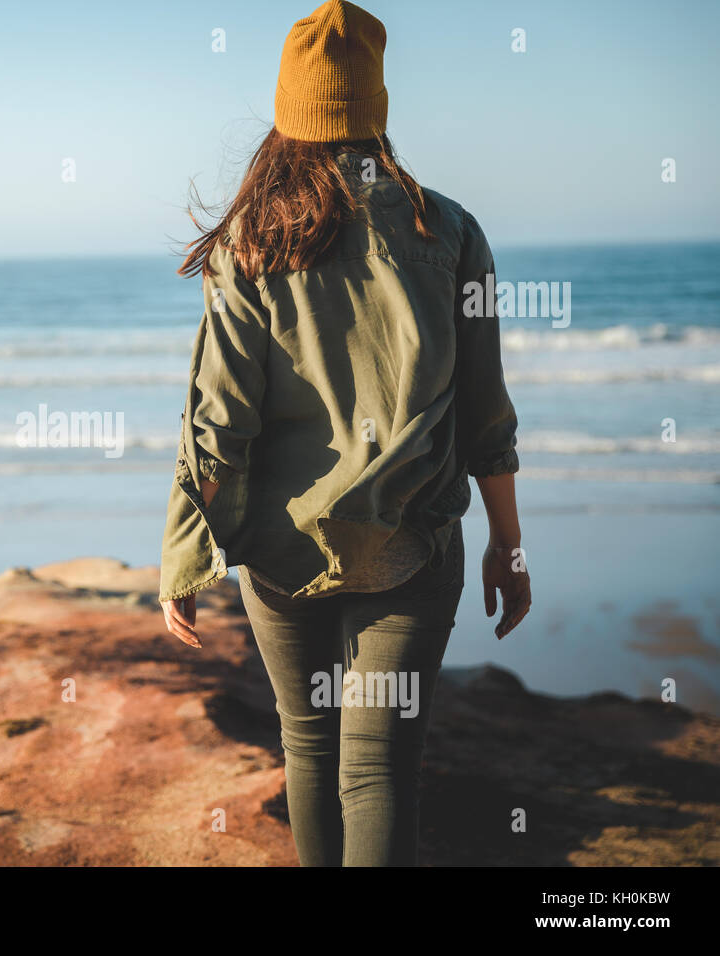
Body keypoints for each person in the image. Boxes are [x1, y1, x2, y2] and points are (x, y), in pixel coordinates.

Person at [158, 0, 531, 867]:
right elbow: (485, 413)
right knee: (379, 770)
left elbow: (218, 425)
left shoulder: (248, 243)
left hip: (282, 549)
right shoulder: (450, 229)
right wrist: (507, 547)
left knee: (310, 750)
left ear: (289, 112)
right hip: (414, 541)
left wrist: (184, 556)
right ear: (378, 108)